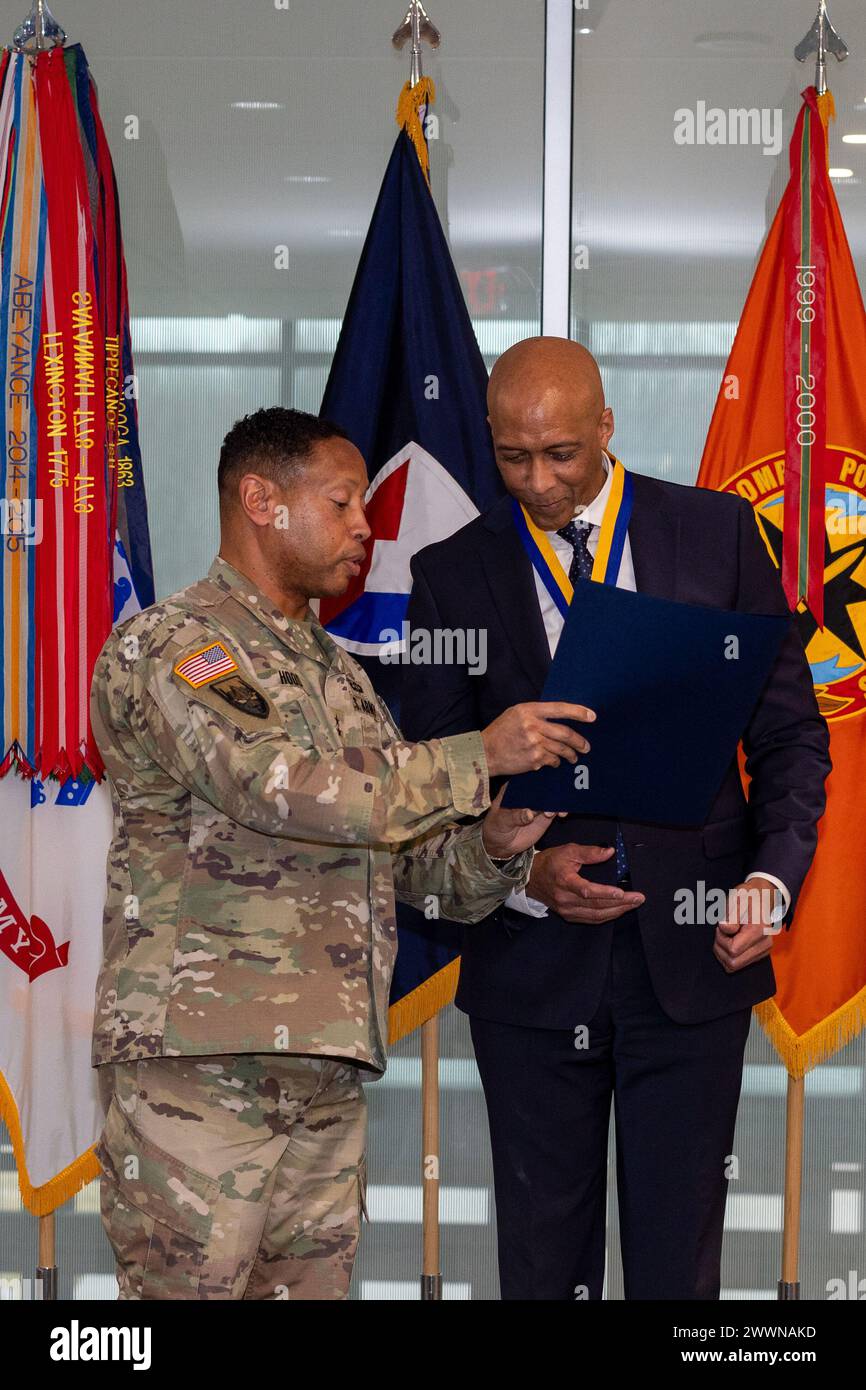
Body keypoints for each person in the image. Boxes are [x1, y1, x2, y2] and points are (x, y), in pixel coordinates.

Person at [90, 405, 593, 1301]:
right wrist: (481, 753)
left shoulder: (336, 673)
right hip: (202, 1065)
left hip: (322, 1066)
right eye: (343, 502)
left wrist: (491, 844)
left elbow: (407, 866)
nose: (366, 525)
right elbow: (275, 784)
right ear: (261, 501)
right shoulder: (178, 644)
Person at [401, 337, 831, 1301]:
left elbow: (792, 739)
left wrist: (770, 880)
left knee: (681, 1265)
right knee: (541, 1260)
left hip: (696, 958)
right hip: (531, 976)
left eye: (560, 453)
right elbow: (430, 781)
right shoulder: (449, 575)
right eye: (513, 457)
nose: (540, 482)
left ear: (606, 426)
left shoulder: (718, 536)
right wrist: (520, 871)